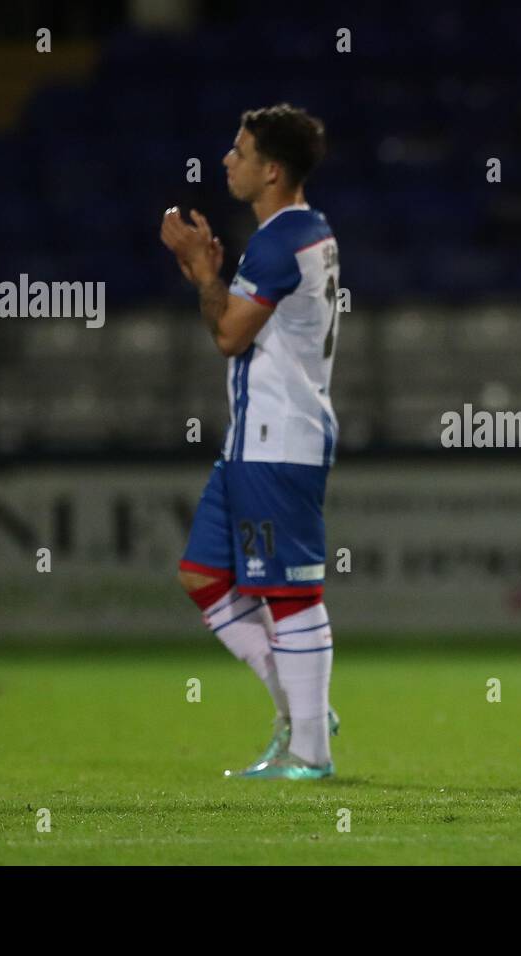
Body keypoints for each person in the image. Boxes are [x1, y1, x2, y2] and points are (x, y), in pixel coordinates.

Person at [160, 104, 341, 780]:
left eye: (238, 152)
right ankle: (304, 711)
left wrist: (203, 273)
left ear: (270, 169)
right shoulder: (302, 231)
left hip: (280, 436)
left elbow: (229, 336)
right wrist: (211, 280)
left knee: (290, 594)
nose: (226, 162)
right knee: (203, 575)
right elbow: (237, 328)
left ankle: (311, 750)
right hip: (253, 438)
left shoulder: (277, 240)